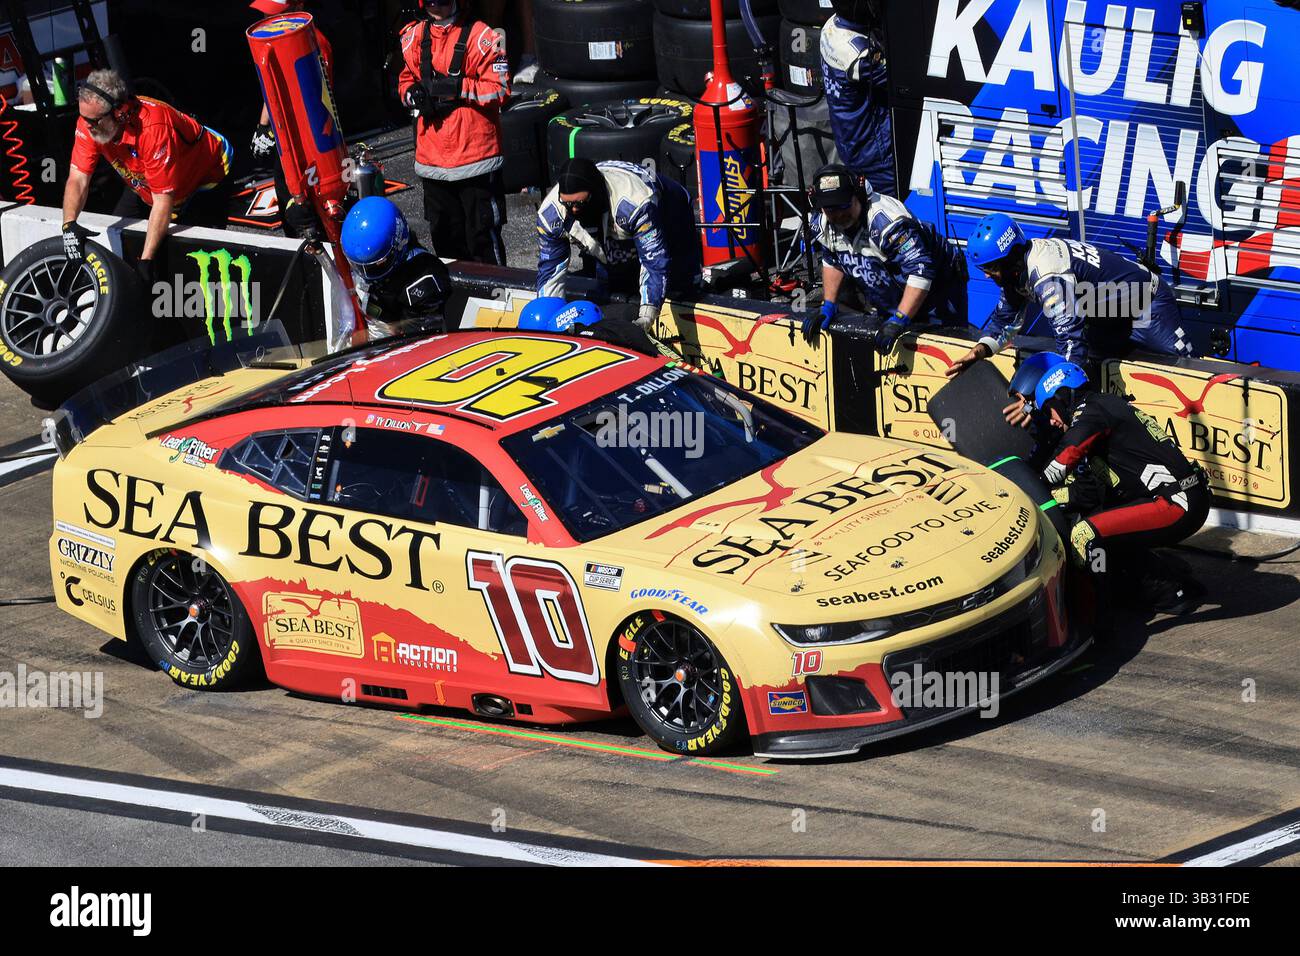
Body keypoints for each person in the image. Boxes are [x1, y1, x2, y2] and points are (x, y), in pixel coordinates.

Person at [1033, 361, 1209, 620]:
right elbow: (1087, 493)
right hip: (1180, 496)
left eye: (1050, 410)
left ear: (1062, 397)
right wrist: (1045, 499)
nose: (1051, 420)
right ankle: (1166, 584)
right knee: (1102, 519)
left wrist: (1035, 484)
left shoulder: (1091, 410)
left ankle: (1094, 625)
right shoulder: (1102, 410)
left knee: (1084, 535)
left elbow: (1064, 459)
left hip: (1177, 501)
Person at [947, 213, 1197, 381]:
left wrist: (1058, 389)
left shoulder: (1047, 273)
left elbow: (1069, 339)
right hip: (1103, 319)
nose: (988, 276)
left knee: (1184, 373)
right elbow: (1005, 320)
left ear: (1009, 258)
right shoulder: (1017, 269)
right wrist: (978, 351)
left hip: (1144, 306)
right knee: (1101, 382)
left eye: (991, 269)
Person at [61, 69, 233, 284]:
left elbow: (163, 200)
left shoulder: (153, 128)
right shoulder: (89, 121)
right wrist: (69, 224)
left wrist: (146, 260)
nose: (86, 125)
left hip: (206, 178)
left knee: (192, 266)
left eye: (93, 121)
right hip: (149, 183)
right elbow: (78, 178)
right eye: (83, 117)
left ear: (120, 113)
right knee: (120, 242)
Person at [802, 163, 967, 352]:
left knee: (944, 348)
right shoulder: (822, 222)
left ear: (859, 195)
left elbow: (921, 271)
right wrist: (828, 305)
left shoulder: (887, 222)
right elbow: (832, 259)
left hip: (938, 288)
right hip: (889, 286)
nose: (839, 214)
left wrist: (900, 318)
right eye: (831, 209)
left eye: (844, 205)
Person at [397, 0, 509, 264]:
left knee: (482, 242)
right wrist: (411, 94)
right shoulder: (412, 37)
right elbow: (405, 79)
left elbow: (501, 89)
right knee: (445, 245)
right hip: (432, 162)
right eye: (431, 0)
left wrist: (459, 88)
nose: (437, 6)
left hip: (476, 161)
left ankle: (497, 297)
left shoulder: (484, 36)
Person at [536, 158, 700, 328]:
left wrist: (647, 317)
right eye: (568, 204)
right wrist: (549, 321)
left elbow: (655, 261)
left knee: (679, 285)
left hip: (670, 211)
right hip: (612, 217)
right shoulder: (551, 215)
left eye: (579, 203)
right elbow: (551, 270)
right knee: (610, 283)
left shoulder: (635, 204)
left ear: (593, 194)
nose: (574, 209)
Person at [248, 0, 334, 239]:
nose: (268, 21)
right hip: (284, 143)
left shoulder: (314, 44)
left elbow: (319, 108)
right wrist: (263, 127)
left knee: (311, 224)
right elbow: (272, 87)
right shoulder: (272, 41)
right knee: (289, 218)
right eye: (265, 14)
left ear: (298, 8)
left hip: (309, 147)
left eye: (275, 14)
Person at [340, 196, 452, 339]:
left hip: (404, 350)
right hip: (371, 342)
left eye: (377, 265)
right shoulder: (359, 258)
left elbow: (420, 343)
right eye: (358, 266)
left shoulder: (423, 279)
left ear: (398, 245)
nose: (365, 274)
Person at [821, 0, 894, 198]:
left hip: (850, 140)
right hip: (874, 151)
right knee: (892, 207)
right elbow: (905, 76)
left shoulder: (831, 25)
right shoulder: (860, 54)